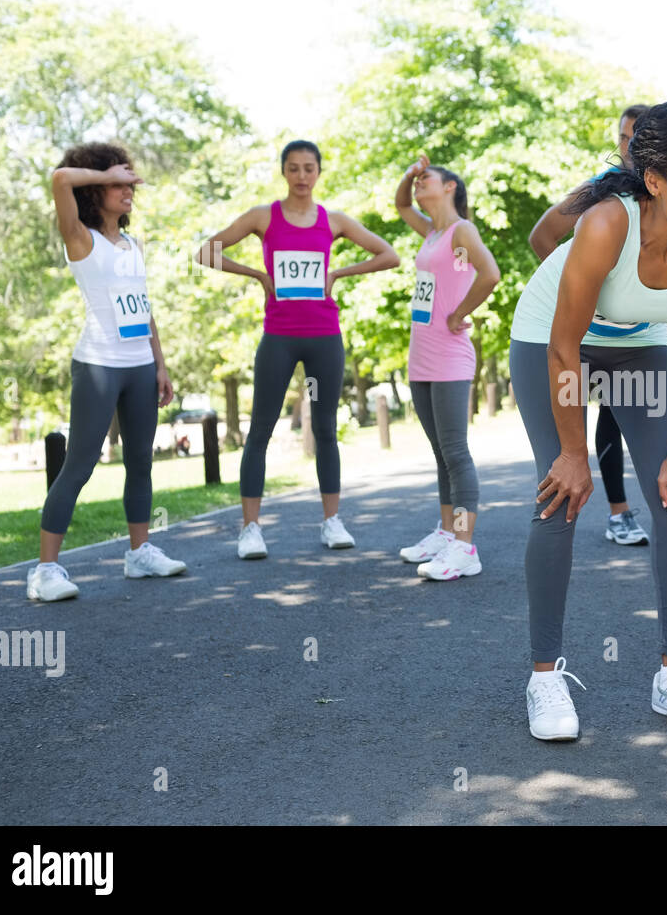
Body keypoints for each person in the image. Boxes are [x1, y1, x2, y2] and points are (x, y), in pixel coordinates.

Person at [510, 102, 667, 741]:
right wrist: (573, 453)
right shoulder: (604, 225)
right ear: (655, 181)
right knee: (558, 495)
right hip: (550, 338)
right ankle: (544, 678)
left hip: (636, 341)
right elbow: (566, 347)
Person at [530, 106, 667, 548]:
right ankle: (619, 513)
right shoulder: (601, 200)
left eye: (637, 136)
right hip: (583, 332)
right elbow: (543, 237)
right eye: (624, 137)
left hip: (652, 321)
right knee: (608, 413)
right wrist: (582, 291)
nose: (629, 146)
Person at [194, 140, 398, 559]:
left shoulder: (334, 220)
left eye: (309, 168)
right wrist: (257, 275)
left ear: (319, 172)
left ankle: (332, 521)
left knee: (325, 430)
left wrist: (339, 271)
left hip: (324, 335)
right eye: (293, 168)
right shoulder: (262, 217)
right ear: (283, 172)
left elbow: (389, 255)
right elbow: (206, 251)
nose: (302, 176)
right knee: (261, 431)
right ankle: (250, 529)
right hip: (280, 337)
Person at [30, 143, 187, 602]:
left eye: (130, 179)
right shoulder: (81, 238)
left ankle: (139, 554)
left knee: (140, 461)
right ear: (95, 188)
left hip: (139, 366)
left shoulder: (132, 245)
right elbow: (60, 179)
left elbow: (143, 305)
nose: (130, 188)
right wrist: (103, 171)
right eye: (119, 181)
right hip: (98, 365)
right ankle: (44, 571)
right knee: (79, 465)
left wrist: (160, 363)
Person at [394, 155, 501, 580]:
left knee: (455, 451)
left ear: (450, 187)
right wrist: (409, 172)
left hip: (451, 355)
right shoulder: (432, 232)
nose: (419, 185)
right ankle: (445, 532)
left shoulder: (462, 231)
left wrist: (459, 313)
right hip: (421, 353)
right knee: (440, 452)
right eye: (417, 180)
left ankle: (464, 546)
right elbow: (401, 205)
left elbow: (490, 274)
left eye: (426, 180)